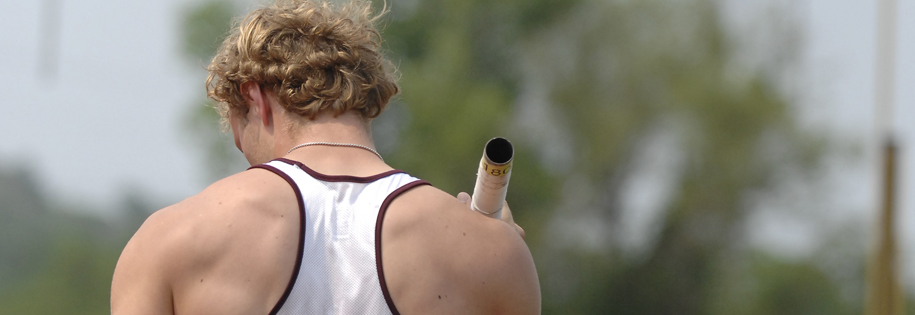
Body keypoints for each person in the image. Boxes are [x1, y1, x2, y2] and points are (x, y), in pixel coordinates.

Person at [110, 0, 540, 314]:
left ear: (254, 98)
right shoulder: (491, 253)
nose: (250, 166)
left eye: (242, 141)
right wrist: (497, 254)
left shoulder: (168, 240)